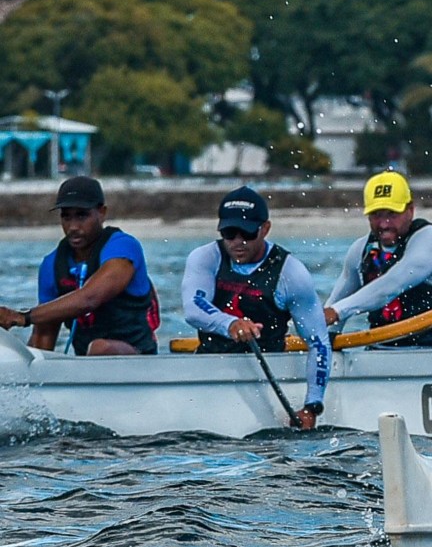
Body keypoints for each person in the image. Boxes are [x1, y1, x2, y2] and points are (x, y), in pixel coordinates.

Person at [179, 186, 332, 428]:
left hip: (270, 371)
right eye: (229, 233)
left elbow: (319, 342)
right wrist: (230, 324)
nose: (238, 242)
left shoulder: (291, 273)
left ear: (265, 229)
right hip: (210, 367)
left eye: (247, 234)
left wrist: (312, 406)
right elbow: (193, 307)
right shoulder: (205, 257)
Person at [0, 176, 158, 354]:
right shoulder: (51, 265)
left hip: (138, 356)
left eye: (82, 215)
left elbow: (90, 298)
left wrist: (22, 317)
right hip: (86, 365)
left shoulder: (123, 247)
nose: (73, 226)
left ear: (102, 212)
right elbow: (42, 337)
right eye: (66, 217)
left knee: (99, 348)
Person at [325, 171, 432, 347]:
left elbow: (391, 286)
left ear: (410, 210)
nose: (384, 224)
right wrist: (324, 338)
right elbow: (334, 306)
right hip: (382, 351)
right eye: (377, 215)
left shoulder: (431, 240)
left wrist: (338, 311)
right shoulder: (360, 251)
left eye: (392, 214)